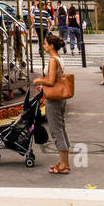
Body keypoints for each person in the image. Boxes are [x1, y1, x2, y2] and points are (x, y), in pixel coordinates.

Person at [34, 31, 71, 174]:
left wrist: (39, 81)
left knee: (56, 131)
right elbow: (56, 79)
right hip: (61, 98)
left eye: (44, 44)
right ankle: (64, 162)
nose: (43, 46)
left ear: (51, 46)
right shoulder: (59, 58)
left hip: (53, 99)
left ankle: (63, 164)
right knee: (61, 129)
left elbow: (50, 81)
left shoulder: (52, 60)